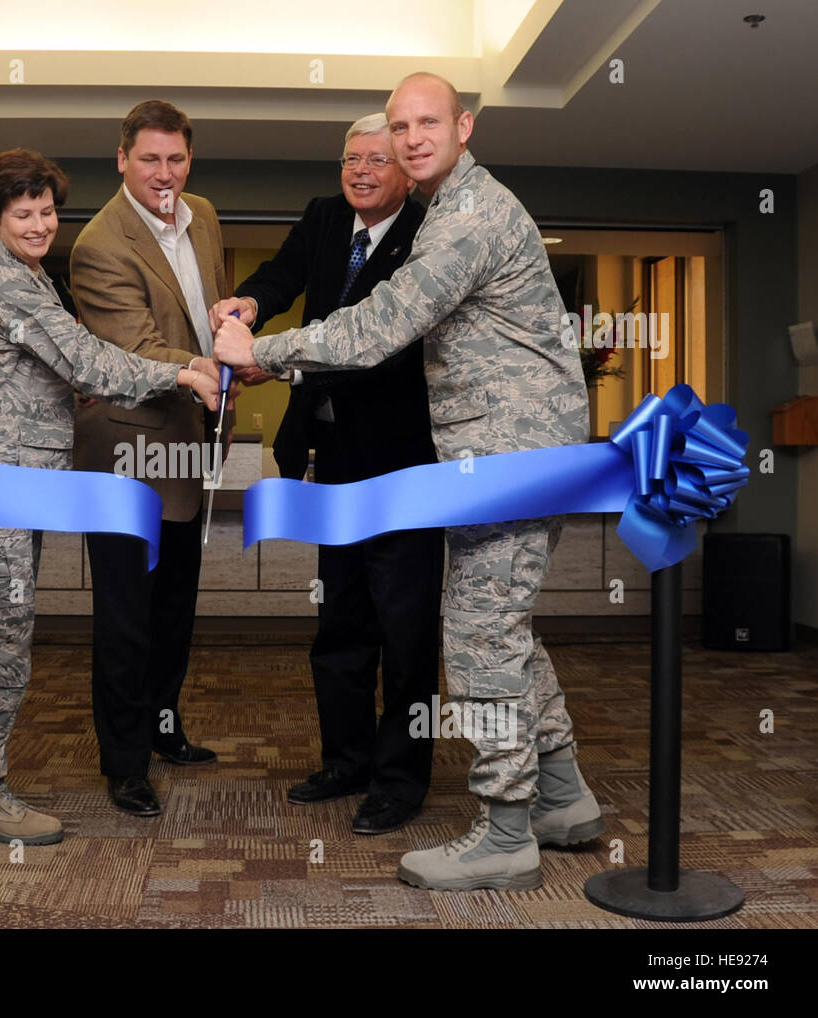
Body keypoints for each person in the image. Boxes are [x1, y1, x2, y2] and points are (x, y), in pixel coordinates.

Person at [214, 73, 603, 891]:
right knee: (507, 629)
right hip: (499, 452)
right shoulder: (452, 208)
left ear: (464, 126)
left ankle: (506, 832)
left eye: (429, 122)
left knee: (477, 636)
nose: (412, 137)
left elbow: (385, 322)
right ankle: (562, 800)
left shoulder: (466, 216)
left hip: (510, 454)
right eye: (400, 125)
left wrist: (263, 354)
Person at [0, 149, 220, 846]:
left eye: (47, 210)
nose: (40, 223)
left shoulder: (30, 275)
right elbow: (88, 361)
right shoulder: (9, 286)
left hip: (13, 477)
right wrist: (185, 373)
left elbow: (56, 370)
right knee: (2, 632)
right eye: (24, 213)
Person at [209, 112, 442, 835]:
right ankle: (346, 761)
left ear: (405, 168)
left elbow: (385, 340)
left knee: (404, 627)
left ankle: (400, 780)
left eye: (378, 159)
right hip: (331, 454)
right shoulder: (324, 216)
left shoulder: (429, 234)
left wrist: (273, 351)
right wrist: (250, 300)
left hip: (403, 460)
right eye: (351, 159)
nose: (362, 172)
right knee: (340, 615)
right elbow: (281, 275)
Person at [70, 100, 230, 817]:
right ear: (121, 159)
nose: (164, 174)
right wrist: (215, 365)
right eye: (149, 159)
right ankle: (126, 764)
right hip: (128, 454)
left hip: (187, 448)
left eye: (175, 159)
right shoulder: (100, 243)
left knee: (174, 611)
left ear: (188, 159)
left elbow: (209, 309)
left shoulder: (203, 214)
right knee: (128, 618)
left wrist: (233, 329)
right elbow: (132, 351)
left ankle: (164, 727)